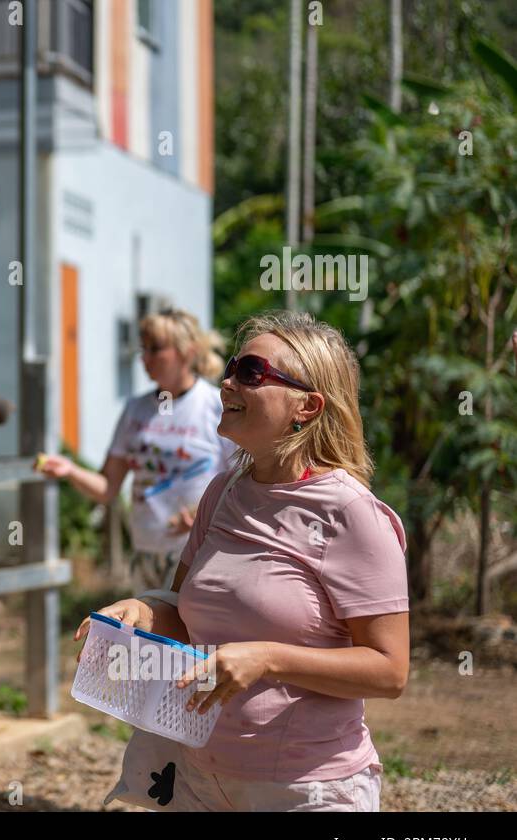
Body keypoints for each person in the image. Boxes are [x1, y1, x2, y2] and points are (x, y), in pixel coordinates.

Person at [80, 310, 411, 812]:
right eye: (232, 367)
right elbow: (185, 617)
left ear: (308, 405)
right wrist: (143, 611)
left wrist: (268, 658)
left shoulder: (352, 514)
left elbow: (389, 671)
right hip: (199, 778)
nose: (227, 382)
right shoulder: (223, 492)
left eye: (251, 373)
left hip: (306, 790)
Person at [39, 307, 237, 590]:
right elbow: (108, 487)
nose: (145, 359)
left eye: (155, 349)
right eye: (143, 349)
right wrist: (69, 470)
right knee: (144, 634)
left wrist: (200, 515)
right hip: (144, 553)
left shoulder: (214, 405)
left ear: (188, 352)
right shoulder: (136, 409)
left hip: (196, 553)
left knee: (185, 635)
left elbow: (243, 483)